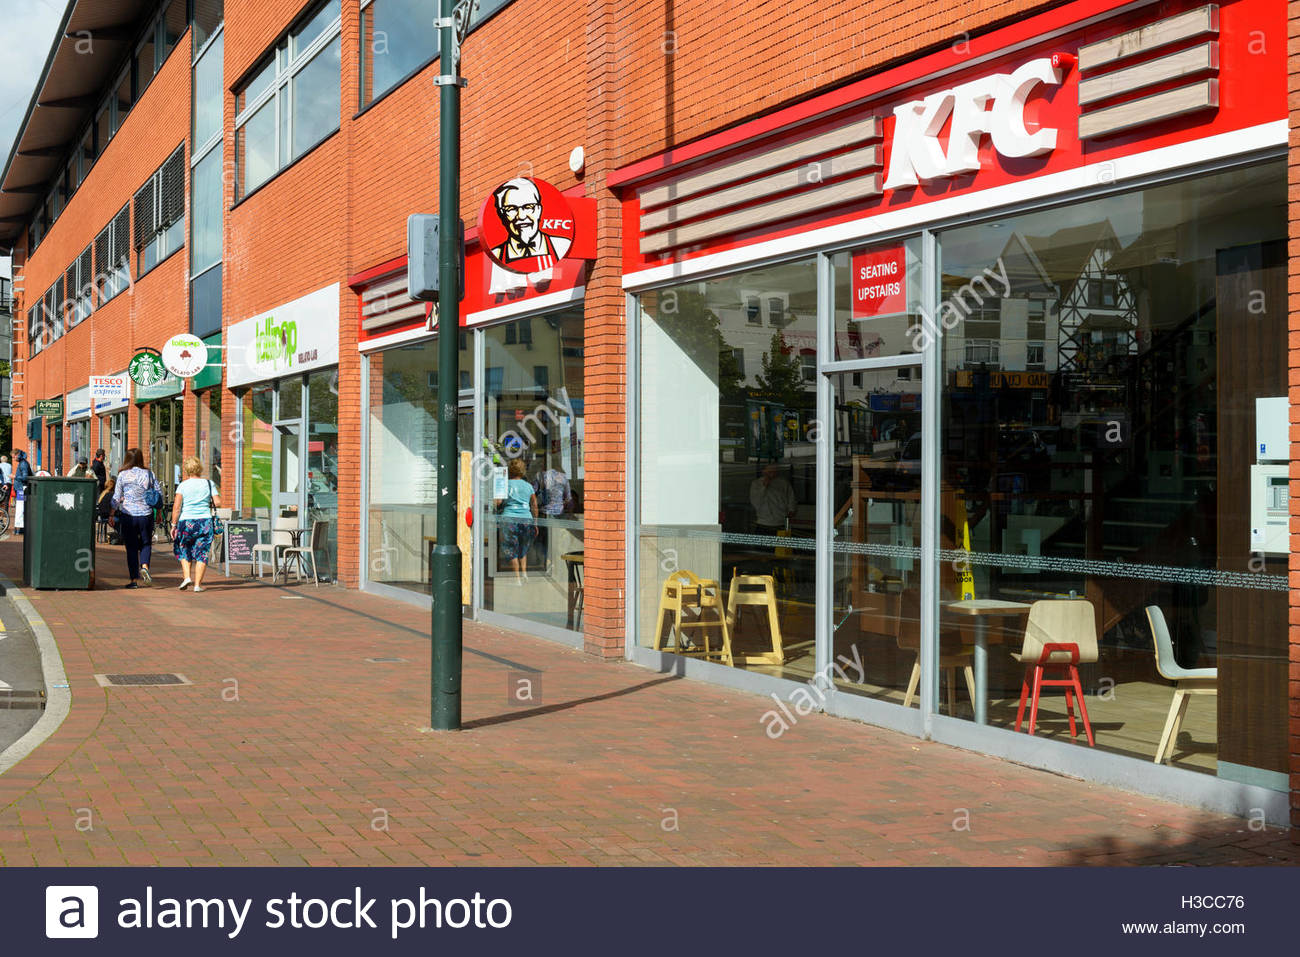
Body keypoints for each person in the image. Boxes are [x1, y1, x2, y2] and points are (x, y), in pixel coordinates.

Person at [490, 177, 572, 271]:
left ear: (539, 210)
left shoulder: (561, 245)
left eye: (528, 207)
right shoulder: (496, 255)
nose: (521, 216)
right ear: (502, 215)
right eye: (511, 209)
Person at [111, 447, 163, 587]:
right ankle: (145, 567)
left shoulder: (122, 475)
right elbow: (158, 493)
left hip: (128, 515)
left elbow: (116, 497)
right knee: (146, 543)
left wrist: (111, 513)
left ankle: (134, 580)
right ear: (140, 459)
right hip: (146, 514)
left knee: (131, 547)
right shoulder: (149, 474)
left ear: (127, 459)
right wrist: (159, 512)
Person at [171, 456, 221, 593]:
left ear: (186, 470)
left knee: (183, 548)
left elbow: (176, 507)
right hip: (204, 521)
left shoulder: (182, 485)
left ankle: (187, 577)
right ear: (200, 468)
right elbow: (218, 503)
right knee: (202, 553)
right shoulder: (209, 483)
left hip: (186, 522)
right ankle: (197, 585)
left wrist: (173, 525)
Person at [495, 458, 538, 584]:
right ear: (523, 470)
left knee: (510, 548)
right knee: (523, 547)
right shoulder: (528, 486)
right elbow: (534, 505)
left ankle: (517, 578)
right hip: (526, 519)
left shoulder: (505, 484)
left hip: (509, 519)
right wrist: (535, 523)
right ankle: (524, 573)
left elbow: (498, 502)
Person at [750, 463, 797, 537]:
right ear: (763, 471)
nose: (772, 474)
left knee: (779, 548)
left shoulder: (783, 483)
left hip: (780, 522)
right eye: (769, 471)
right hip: (763, 523)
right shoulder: (756, 483)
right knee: (762, 547)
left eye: (774, 471)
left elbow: (791, 499)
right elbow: (755, 501)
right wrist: (764, 486)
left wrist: (791, 511)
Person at [97, 477, 118, 544]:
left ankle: (115, 537)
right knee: (122, 520)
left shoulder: (102, 494)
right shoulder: (112, 495)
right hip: (108, 516)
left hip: (102, 516)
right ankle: (118, 537)